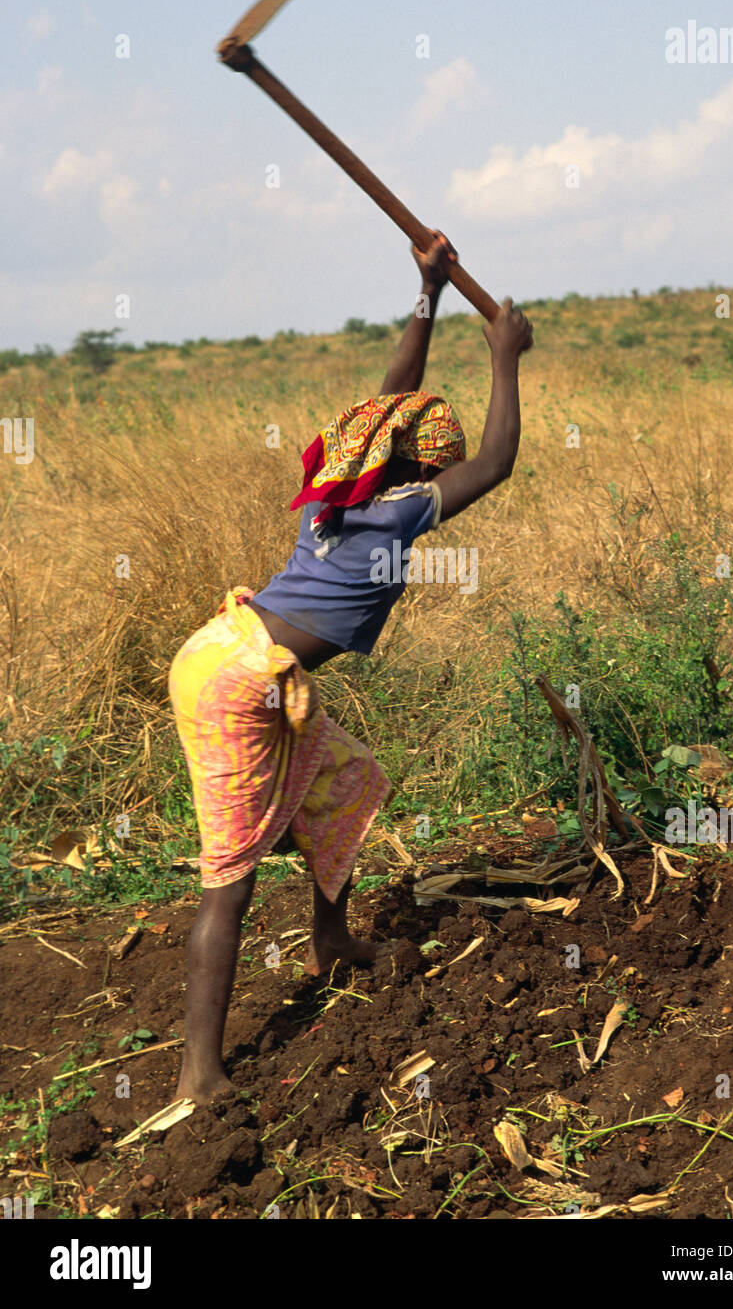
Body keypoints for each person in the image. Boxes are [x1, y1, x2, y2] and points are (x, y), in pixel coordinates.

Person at [167, 232, 533, 1102]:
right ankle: (198, 1075)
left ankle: (329, 940)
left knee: (346, 780)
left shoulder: (343, 487)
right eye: (428, 463)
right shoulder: (396, 513)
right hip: (237, 680)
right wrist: (504, 357)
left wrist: (427, 292)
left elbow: (390, 400)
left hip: (241, 656)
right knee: (230, 879)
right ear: (412, 468)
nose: (433, 473)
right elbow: (497, 462)